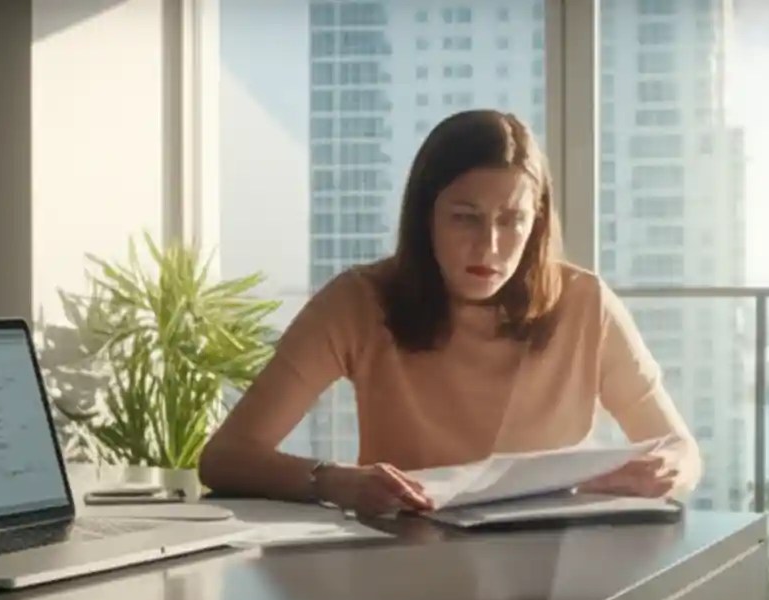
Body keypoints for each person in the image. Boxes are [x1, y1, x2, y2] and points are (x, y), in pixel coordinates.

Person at [199, 109, 701, 517]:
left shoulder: (586, 303)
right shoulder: (359, 301)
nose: (490, 245)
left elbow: (683, 451)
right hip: (406, 560)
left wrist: (665, 469)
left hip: (550, 571)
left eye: (512, 221)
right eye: (465, 218)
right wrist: (333, 481)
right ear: (425, 217)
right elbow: (225, 458)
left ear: (537, 224)